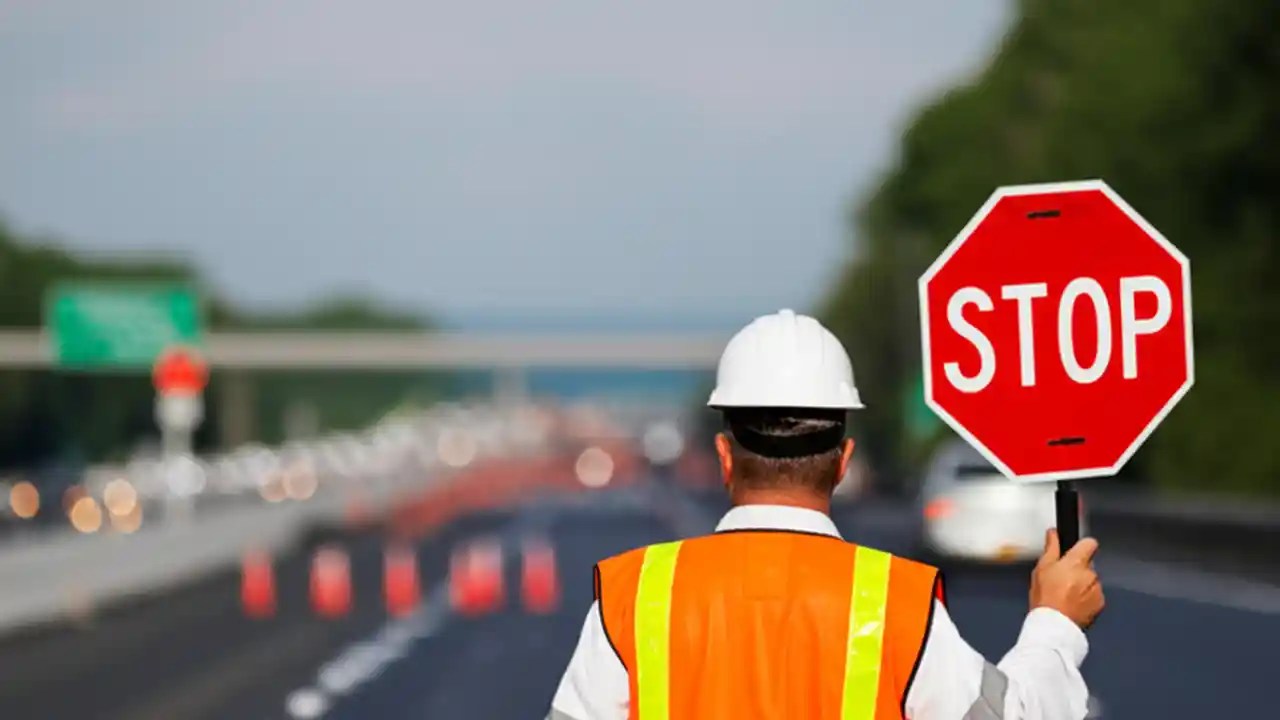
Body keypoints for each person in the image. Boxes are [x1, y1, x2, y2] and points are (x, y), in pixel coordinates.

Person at [548, 309, 1104, 720]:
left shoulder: (634, 597)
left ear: (723, 457)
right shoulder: (894, 603)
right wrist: (1055, 624)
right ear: (844, 462)